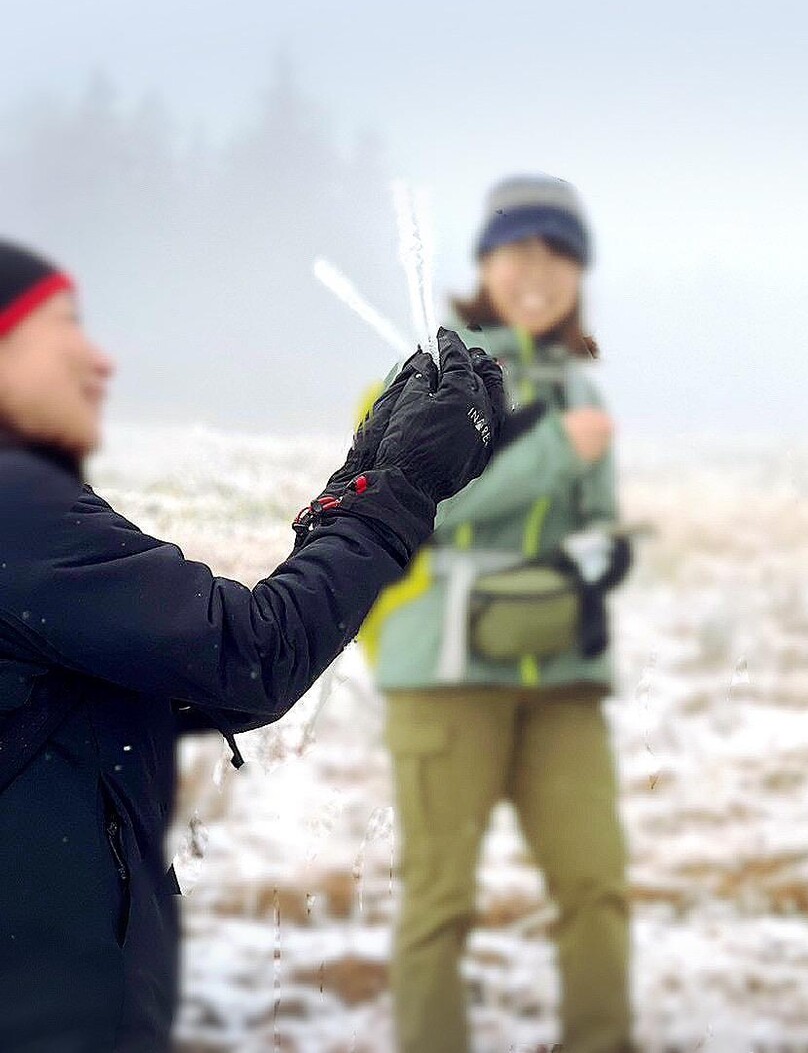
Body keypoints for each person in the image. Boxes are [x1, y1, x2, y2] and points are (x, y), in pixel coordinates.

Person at [0, 238, 511, 1051]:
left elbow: (166, 674)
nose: (94, 357)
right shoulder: (19, 514)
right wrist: (404, 487)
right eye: (59, 333)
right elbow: (246, 658)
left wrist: (366, 475)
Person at [361, 175, 632, 1053]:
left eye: (560, 254)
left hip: (564, 672)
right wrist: (553, 453)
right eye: (522, 250)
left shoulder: (577, 388)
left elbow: (595, 519)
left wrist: (603, 551)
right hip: (444, 670)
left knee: (596, 886)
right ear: (485, 263)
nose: (540, 271)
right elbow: (410, 506)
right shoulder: (430, 369)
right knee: (439, 903)